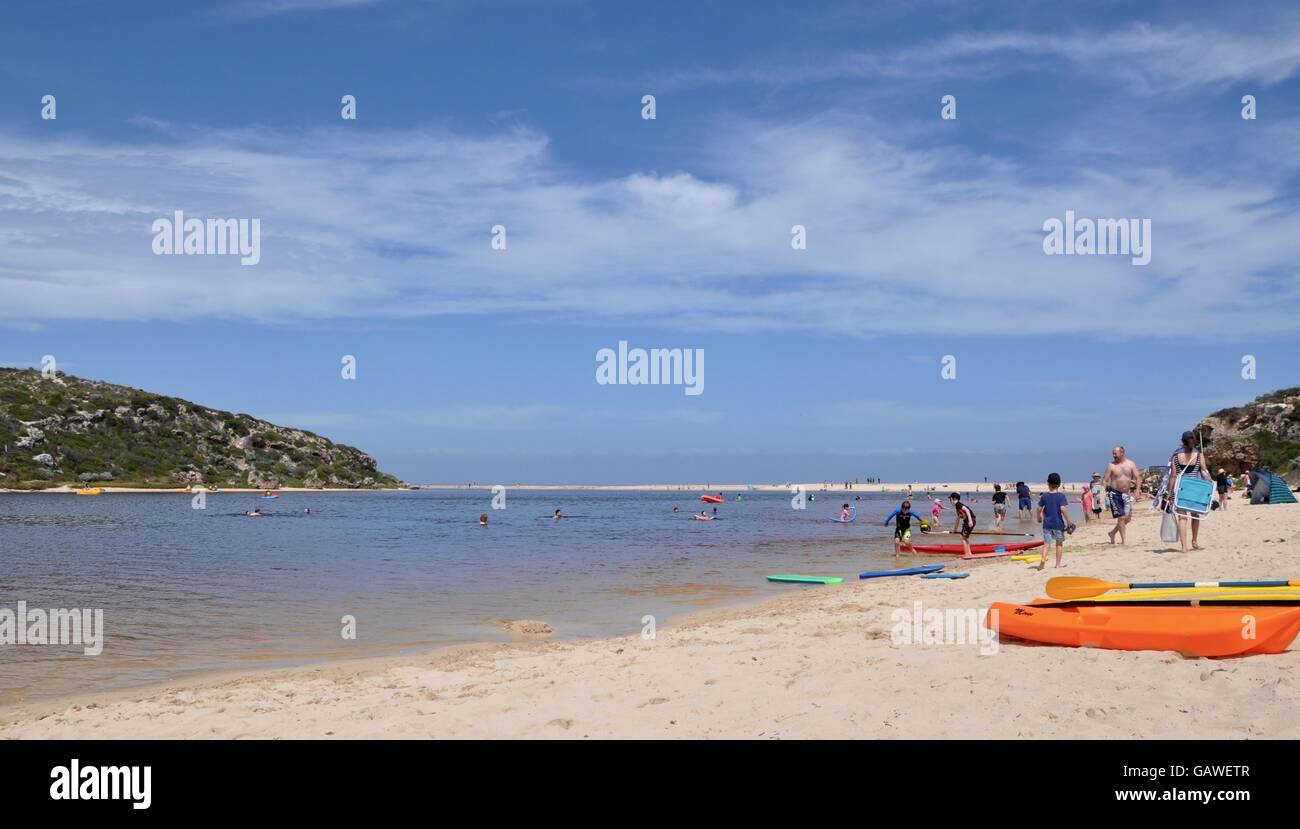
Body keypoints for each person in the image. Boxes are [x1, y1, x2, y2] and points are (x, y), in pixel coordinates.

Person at [1169, 431, 1211, 552]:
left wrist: (1170, 493)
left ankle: (1184, 547)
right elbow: (1204, 471)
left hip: (1181, 488)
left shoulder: (1176, 456)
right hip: (1195, 489)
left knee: (1182, 517)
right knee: (1195, 515)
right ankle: (1194, 540)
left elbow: (1173, 475)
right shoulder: (1198, 455)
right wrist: (1210, 484)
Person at [1102, 445, 1140, 544]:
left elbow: (1138, 478)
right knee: (1121, 517)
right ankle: (1124, 541)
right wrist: (1105, 493)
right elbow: (1105, 480)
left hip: (1127, 493)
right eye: (1113, 453)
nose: (1113, 455)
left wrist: (1137, 490)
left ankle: (1112, 533)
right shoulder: (1111, 466)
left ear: (1122, 453)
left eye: (1115, 453)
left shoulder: (1131, 464)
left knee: (1127, 519)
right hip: (1115, 493)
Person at [1035, 473, 1072, 571]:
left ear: (1048, 483)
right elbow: (1063, 508)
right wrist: (1069, 521)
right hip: (1058, 525)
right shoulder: (1061, 496)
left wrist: (1039, 517)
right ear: (1059, 484)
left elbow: (1038, 508)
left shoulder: (1044, 496)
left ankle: (1043, 559)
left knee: (1047, 544)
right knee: (1059, 544)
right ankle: (1058, 564)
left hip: (1047, 525)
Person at [948, 492, 976, 557]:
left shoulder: (958, 504)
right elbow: (957, 519)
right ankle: (969, 553)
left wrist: (970, 521)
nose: (950, 501)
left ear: (953, 499)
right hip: (967, 521)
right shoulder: (957, 506)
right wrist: (955, 529)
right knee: (965, 538)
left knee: (963, 539)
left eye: (950, 499)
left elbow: (967, 510)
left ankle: (967, 554)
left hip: (969, 521)